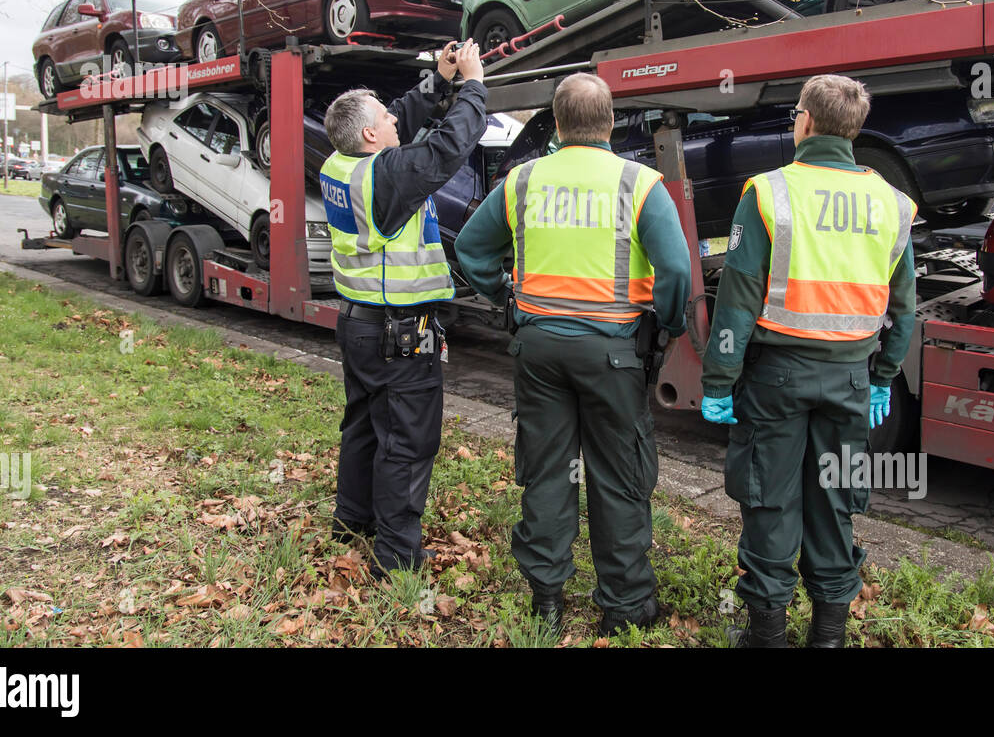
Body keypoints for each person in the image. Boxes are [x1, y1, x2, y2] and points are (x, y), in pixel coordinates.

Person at [455, 73, 691, 635]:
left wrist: (505, 302)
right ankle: (625, 606)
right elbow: (678, 270)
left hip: (538, 352)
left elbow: (470, 248)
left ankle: (546, 600)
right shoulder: (640, 184)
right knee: (619, 476)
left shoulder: (521, 181)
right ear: (609, 122)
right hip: (613, 355)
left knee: (549, 472)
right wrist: (668, 325)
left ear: (556, 124)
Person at [700, 74, 917, 648]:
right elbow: (905, 309)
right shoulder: (893, 203)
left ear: (806, 121)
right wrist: (884, 378)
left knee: (770, 501)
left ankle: (767, 638)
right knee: (834, 505)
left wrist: (719, 381)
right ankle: (828, 639)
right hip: (850, 380)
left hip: (776, 380)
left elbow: (738, 299)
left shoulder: (770, 192)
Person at [320, 40, 487, 576]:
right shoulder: (388, 176)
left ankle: (352, 523)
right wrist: (474, 86)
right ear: (371, 135)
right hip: (398, 335)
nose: (396, 118)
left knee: (365, 429)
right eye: (386, 118)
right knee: (408, 445)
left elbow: (405, 122)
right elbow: (445, 147)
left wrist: (437, 81)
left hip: (358, 325)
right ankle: (395, 560)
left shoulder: (342, 165)